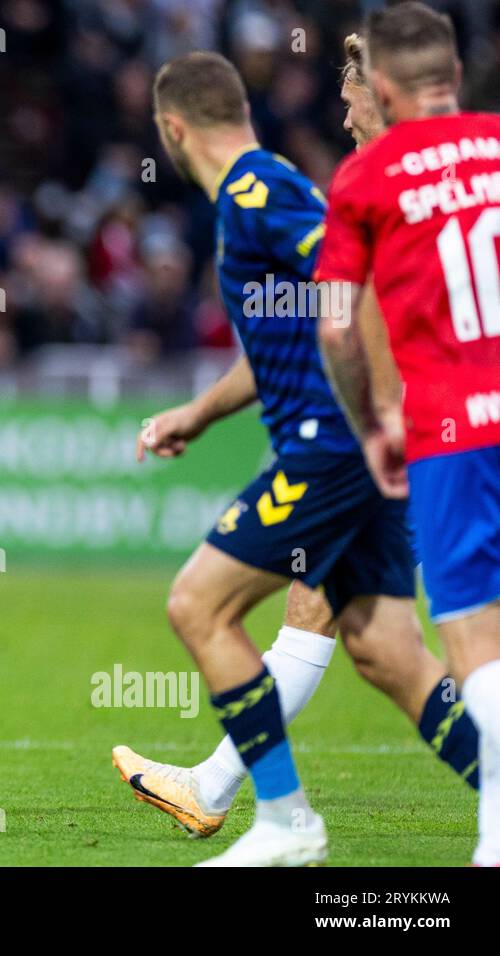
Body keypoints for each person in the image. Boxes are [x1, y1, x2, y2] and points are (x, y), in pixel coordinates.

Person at [113, 35, 479, 842]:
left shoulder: (262, 191)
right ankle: (218, 787)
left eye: (355, 102)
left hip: (366, 440)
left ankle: (280, 819)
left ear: (172, 130)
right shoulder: (296, 196)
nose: (345, 119)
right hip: (386, 435)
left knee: (199, 604)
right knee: (382, 647)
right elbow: (315, 319)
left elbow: (358, 289)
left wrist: (383, 409)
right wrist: (197, 414)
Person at [316, 2, 500, 866]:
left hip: (451, 430)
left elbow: (333, 324)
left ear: (381, 87)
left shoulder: (367, 180)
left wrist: (372, 427)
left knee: (471, 643)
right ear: (454, 78)